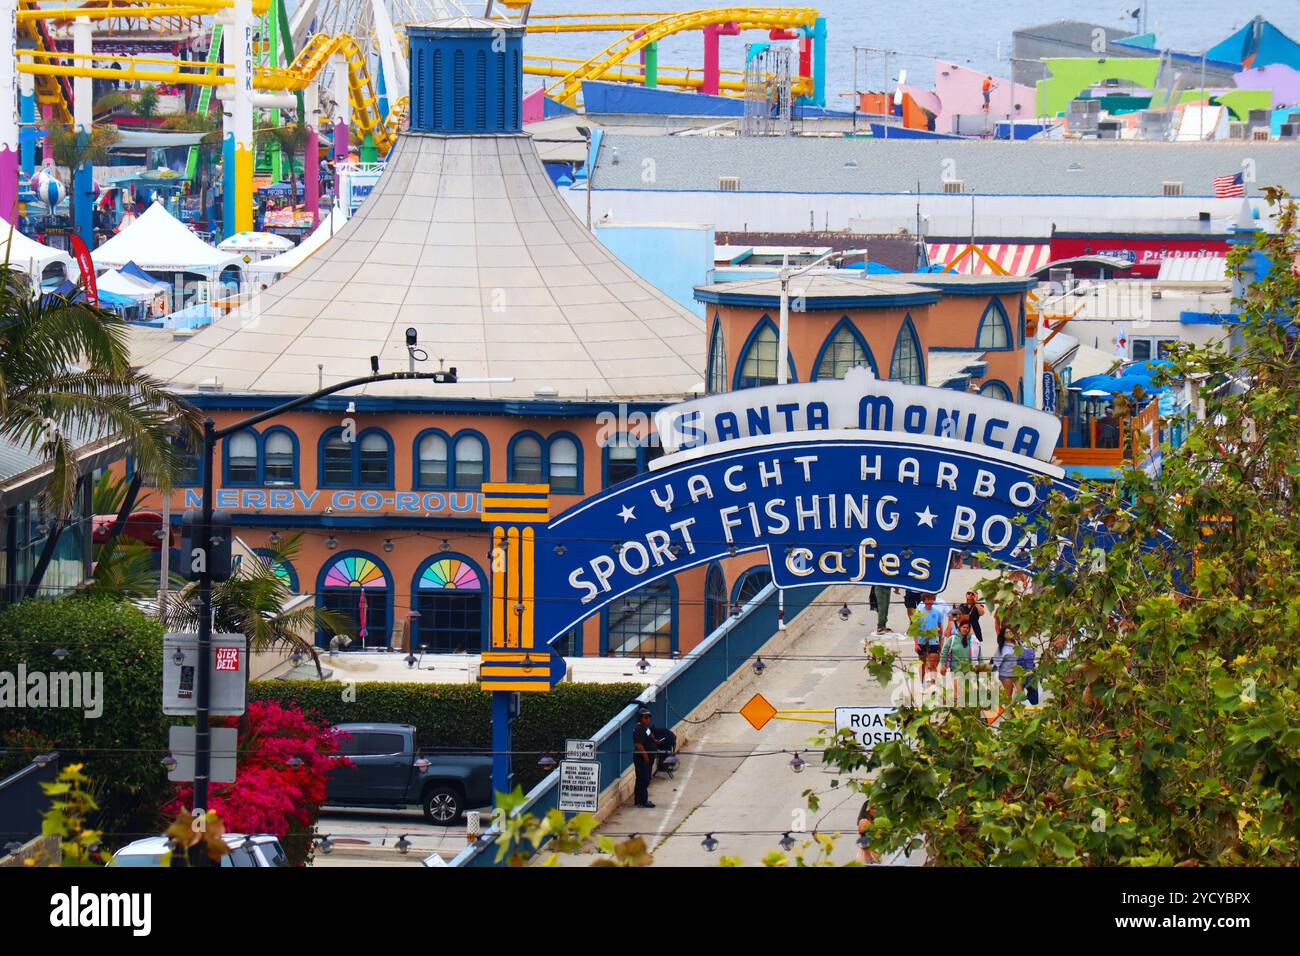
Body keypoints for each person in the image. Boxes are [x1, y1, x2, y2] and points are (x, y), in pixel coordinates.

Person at [913, 593, 948, 685]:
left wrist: (940, 643)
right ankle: (922, 683)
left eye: (931, 599)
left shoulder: (937, 613)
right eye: (927, 599)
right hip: (921, 641)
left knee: (933, 664)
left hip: (934, 641)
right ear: (924, 600)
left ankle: (933, 685)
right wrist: (916, 643)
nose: (929, 601)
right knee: (922, 663)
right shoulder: (919, 613)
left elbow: (940, 629)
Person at [631, 707, 656, 808]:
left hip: (648, 758)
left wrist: (655, 742)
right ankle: (642, 801)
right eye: (645, 717)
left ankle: (639, 800)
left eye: (649, 717)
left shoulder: (646, 728)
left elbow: (649, 738)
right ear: (640, 718)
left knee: (643, 778)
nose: (648, 719)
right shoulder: (639, 729)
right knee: (643, 779)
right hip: (642, 759)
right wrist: (646, 757)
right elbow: (638, 745)